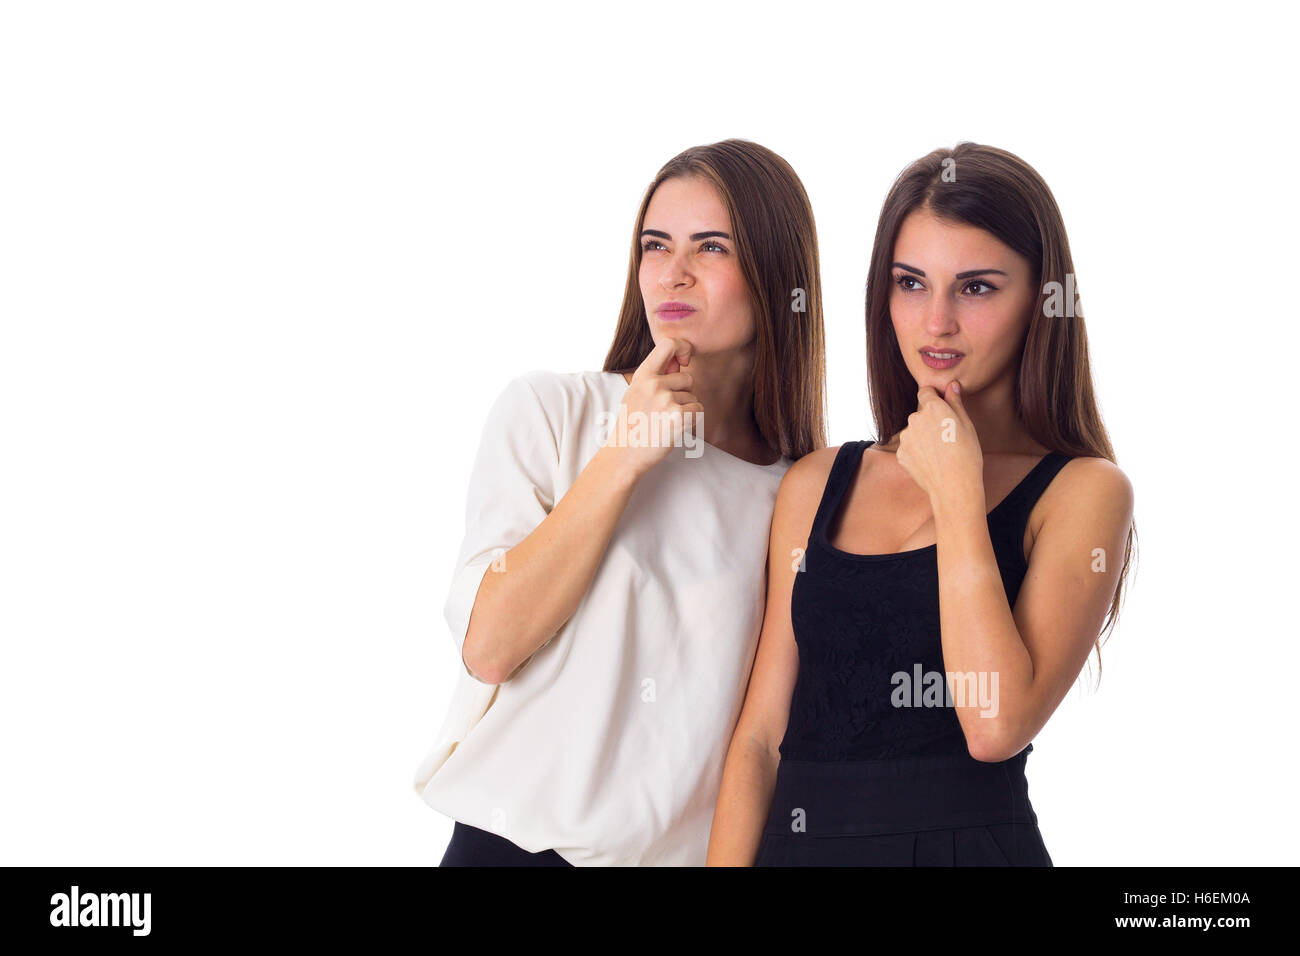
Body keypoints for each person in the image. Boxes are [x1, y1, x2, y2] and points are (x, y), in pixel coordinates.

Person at [708, 142, 1136, 866]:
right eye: (911, 283)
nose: (936, 321)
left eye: (975, 288)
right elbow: (758, 738)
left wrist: (959, 495)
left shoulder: (1084, 492)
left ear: (1042, 299)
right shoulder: (816, 482)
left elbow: (994, 725)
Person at [413, 139, 827, 866]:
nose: (674, 272)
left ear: (776, 276)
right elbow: (489, 647)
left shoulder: (797, 498)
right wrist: (625, 456)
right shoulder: (551, 412)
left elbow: (767, 743)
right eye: (655, 245)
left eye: (711, 247)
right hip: (505, 850)